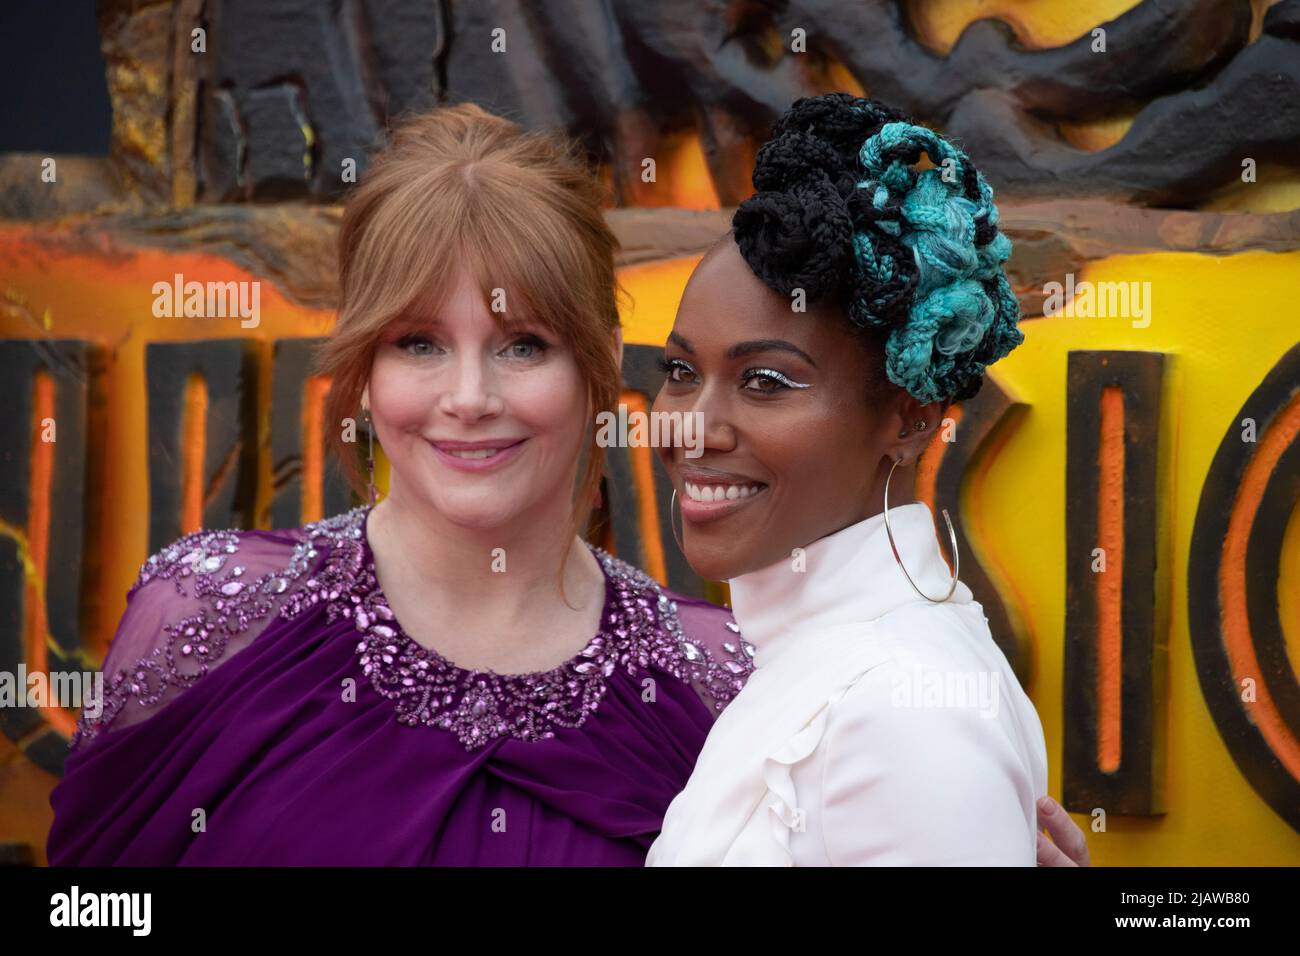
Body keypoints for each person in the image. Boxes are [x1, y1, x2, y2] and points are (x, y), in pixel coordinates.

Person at [45, 103, 751, 866]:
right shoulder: (207, 616)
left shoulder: (715, 687)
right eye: (420, 343)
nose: (470, 397)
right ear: (365, 366)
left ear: (603, 360)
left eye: (523, 345)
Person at [646, 93, 1066, 865]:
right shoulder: (822, 661)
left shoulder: (902, 709)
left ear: (907, 418)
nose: (690, 425)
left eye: (767, 381)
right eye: (679, 370)